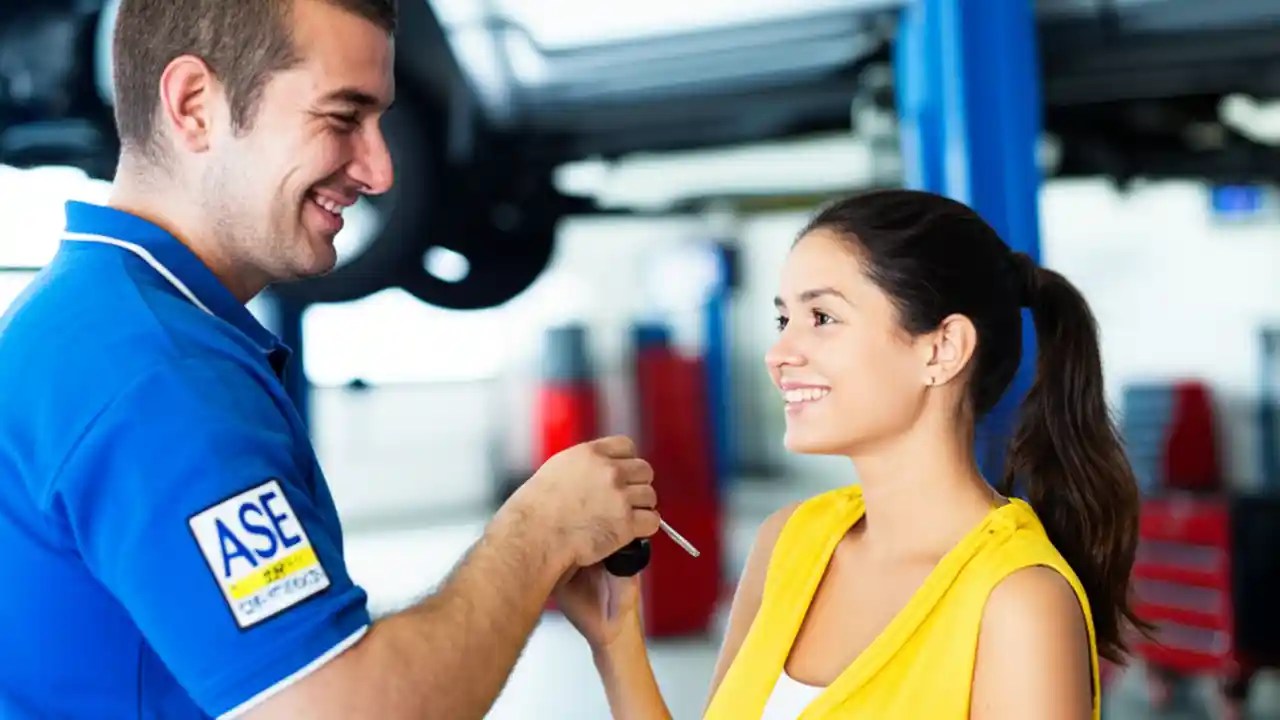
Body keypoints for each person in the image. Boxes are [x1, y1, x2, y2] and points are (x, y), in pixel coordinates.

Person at [0, 1, 661, 718]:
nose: (380, 170)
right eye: (343, 118)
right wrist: (541, 532)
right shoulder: (157, 376)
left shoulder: (90, 320)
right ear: (195, 105)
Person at [554, 189, 1148, 719]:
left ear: (942, 349)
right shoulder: (790, 540)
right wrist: (615, 637)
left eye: (821, 317)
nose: (779, 351)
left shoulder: (1019, 603)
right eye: (784, 318)